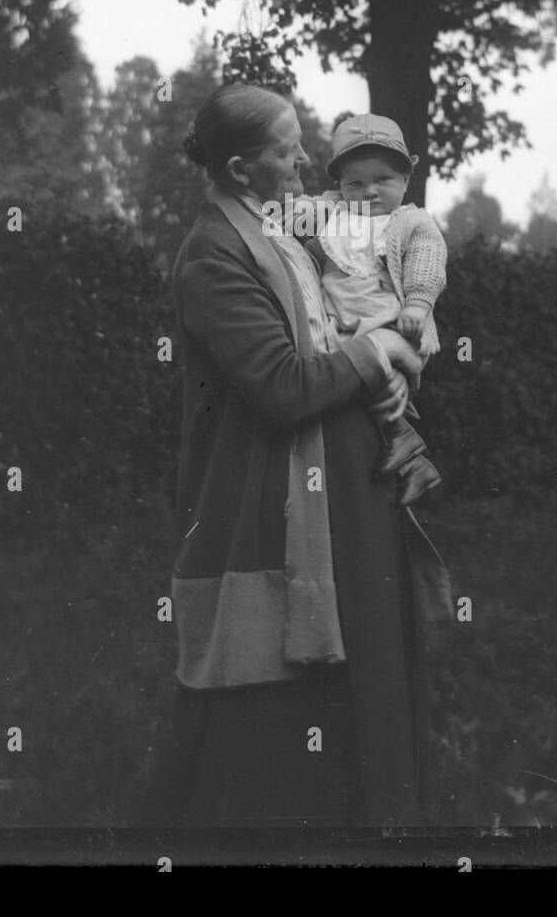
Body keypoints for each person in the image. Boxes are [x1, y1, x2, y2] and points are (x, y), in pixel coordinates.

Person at [146, 83, 451, 833]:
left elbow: (353, 310)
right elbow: (282, 387)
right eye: (288, 150)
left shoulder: (279, 233)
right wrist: (379, 346)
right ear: (244, 168)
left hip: (341, 490)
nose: (306, 158)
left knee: (360, 672)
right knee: (272, 696)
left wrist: (397, 407)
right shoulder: (215, 254)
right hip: (268, 500)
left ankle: (366, 822)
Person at [288, 112, 448, 507]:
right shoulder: (335, 213)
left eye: (382, 180)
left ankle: (408, 456)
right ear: (340, 186)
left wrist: (417, 302)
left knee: (375, 387)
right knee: (354, 389)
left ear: (406, 179)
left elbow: (427, 262)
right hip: (339, 322)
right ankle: (408, 460)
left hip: (388, 319)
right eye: (355, 183)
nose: (369, 193)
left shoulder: (411, 222)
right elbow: (295, 212)